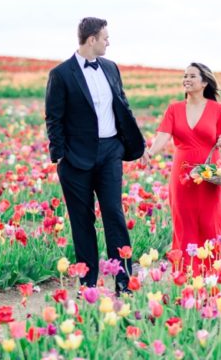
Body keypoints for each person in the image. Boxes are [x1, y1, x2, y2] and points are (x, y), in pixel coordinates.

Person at [45, 17, 146, 294]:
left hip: (111, 151)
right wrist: (60, 156)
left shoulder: (111, 68)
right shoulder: (61, 74)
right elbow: (53, 118)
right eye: (105, 38)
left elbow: (123, 105)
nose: (108, 42)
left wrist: (136, 143)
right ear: (92, 40)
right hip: (75, 158)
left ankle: (123, 282)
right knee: (82, 221)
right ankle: (88, 284)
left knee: (114, 214)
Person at [142, 62, 221, 272]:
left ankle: (215, 266)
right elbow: (163, 136)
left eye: (192, 76)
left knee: (210, 218)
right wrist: (150, 153)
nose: (186, 80)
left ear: (204, 82)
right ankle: (188, 269)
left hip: (210, 173)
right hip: (182, 173)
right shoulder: (174, 109)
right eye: (185, 76)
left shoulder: (218, 110)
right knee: (184, 218)